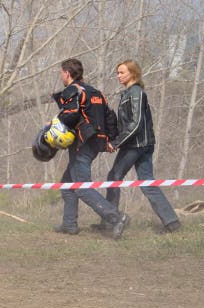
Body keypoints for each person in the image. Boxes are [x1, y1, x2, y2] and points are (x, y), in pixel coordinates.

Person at [98, 60, 181, 233]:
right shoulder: (130, 93)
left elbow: (135, 125)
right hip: (142, 144)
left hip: (136, 145)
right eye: (117, 72)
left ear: (133, 74)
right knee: (147, 183)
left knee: (114, 177)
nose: (118, 76)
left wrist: (115, 143)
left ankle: (111, 221)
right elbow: (128, 123)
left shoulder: (135, 93)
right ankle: (172, 224)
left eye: (121, 72)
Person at [51, 58, 130, 238]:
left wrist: (53, 124)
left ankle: (116, 217)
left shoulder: (73, 90)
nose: (61, 76)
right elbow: (110, 117)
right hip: (96, 143)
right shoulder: (96, 93)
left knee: (82, 187)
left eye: (62, 73)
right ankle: (69, 224)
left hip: (82, 144)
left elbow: (70, 116)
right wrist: (111, 139)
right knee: (67, 185)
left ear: (67, 73)